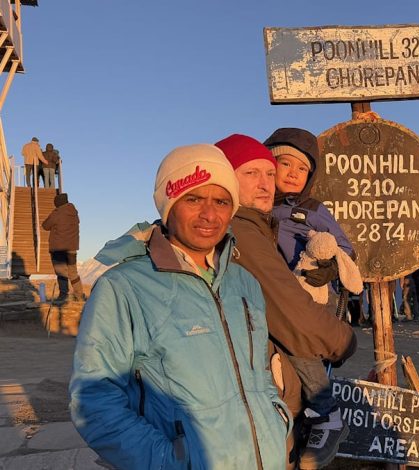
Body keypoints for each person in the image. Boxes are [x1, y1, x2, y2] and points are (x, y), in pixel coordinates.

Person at [69, 144, 290, 469]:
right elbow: (93, 398)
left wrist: (276, 421)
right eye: (193, 199)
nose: (210, 215)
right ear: (167, 205)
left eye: (221, 201)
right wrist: (171, 460)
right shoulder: (124, 287)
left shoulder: (244, 284)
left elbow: (259, 376)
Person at [215, 133, 355, 469]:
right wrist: (342, 341)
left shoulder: (311, 210)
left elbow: (344, 247)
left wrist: (331, 264)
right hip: (286, 301)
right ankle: (323, 414)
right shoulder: (253, 220)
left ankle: (324, 413)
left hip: (306, 292)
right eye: (282, 164)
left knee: (300, 348)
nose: (288, 173)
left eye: (302, 168)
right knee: (296, 347)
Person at [266, 128, 354, 282]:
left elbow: (347, 249)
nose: (293, 173)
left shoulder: (312, 209)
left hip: (308, 288)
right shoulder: (257, 206)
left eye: (302, 168)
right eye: (286, 164)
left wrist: (331, 268)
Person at [42, 193, 84, 302]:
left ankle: (63, 295)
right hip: (72, 248)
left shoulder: (57, 213)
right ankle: (79, 295)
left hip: (58, 248)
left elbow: (45, 226)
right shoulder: (74, 213)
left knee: (61, 273)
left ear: (58, 203)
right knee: (73, 272)